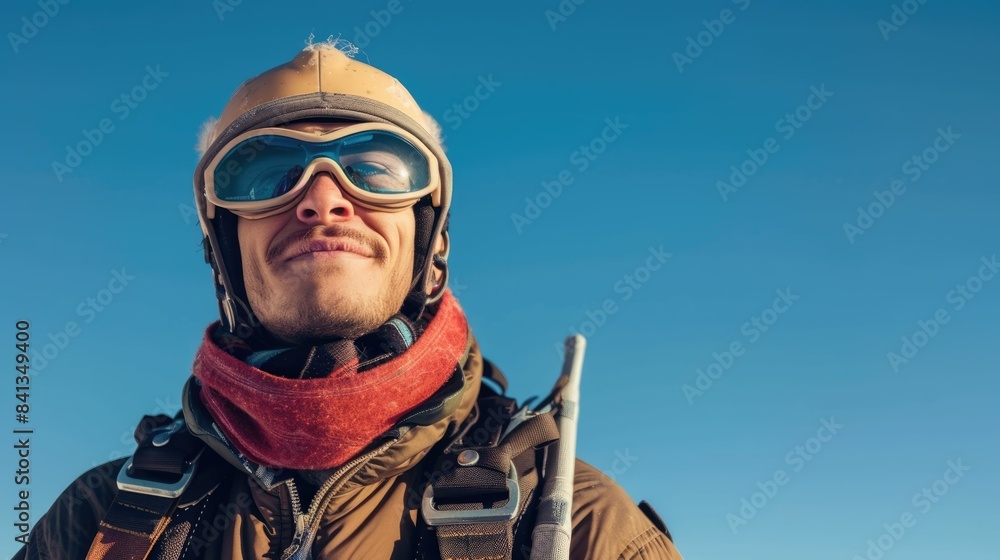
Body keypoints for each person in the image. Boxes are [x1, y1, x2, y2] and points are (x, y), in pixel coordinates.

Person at [15, 43, 682, 560]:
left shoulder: (569, 521)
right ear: (222, 244)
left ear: (429, 235)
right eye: (266, 172)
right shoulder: (103, 521)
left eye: (375, 167)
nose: (322, 197)